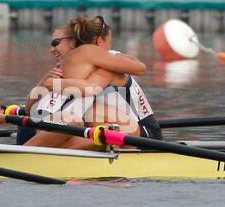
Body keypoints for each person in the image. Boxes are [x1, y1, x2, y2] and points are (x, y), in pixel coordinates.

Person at [18, 26, 158, 145]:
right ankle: (29, 153)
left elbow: (91, 88)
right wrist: (44, 84)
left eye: (56, 43)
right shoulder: (57, 71)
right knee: (75, 121)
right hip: (52, 128)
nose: (51, 49)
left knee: (79, 119)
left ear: (73, 43)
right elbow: (29, 110)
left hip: (142, 134)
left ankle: (23, 156)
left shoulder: (106, 65)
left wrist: (54, 84)